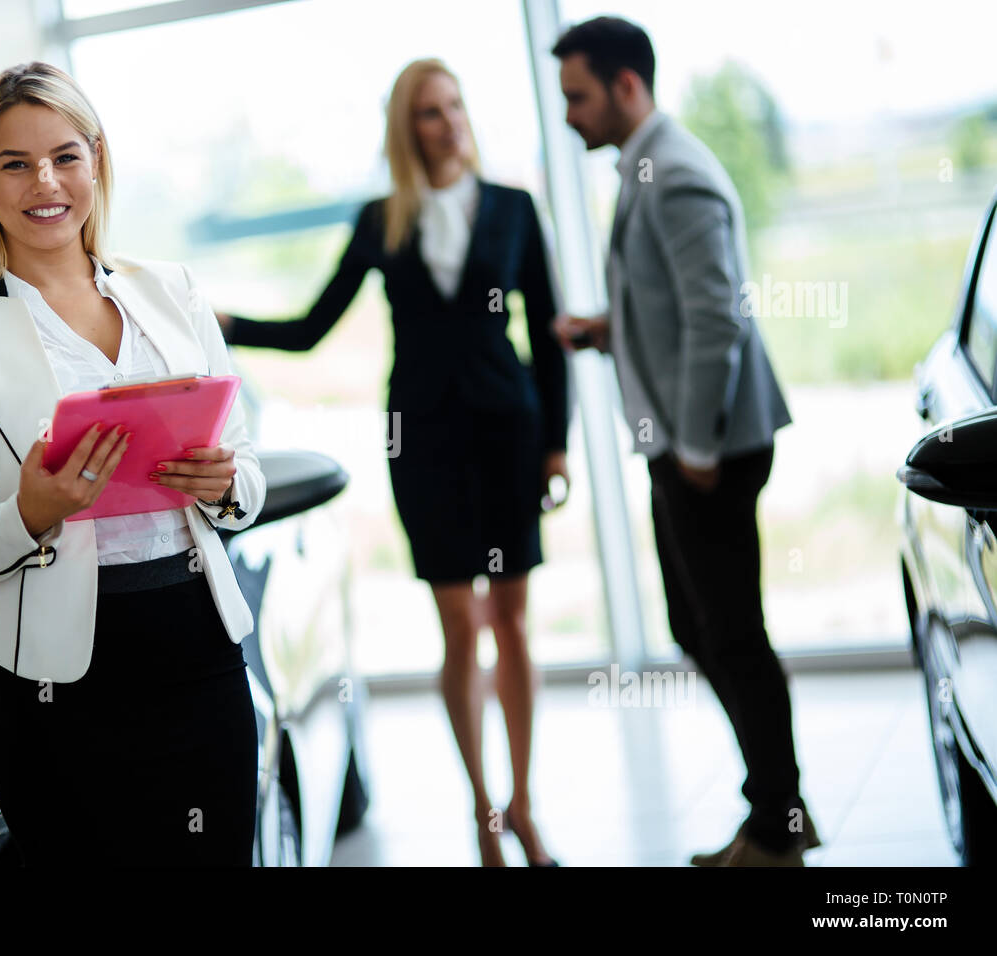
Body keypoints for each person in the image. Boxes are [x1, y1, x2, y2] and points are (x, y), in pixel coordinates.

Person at [0, 62, 265, 866]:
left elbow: (249, 469)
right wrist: (31, 510)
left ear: (96, 158)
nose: (46, 183)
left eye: (65, 155)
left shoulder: (172, 291)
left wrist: (228, 483)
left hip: (201, 655)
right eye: (15, 164)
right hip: (59, 693)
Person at [216, 59, 571, 866]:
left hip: (508, 431)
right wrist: (226, 322)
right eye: (428, 112)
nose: (446, 123)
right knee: (460, 623)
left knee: (512, 620)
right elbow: (311, 328)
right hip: (423, 440)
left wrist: (557, 445)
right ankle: (483, 811)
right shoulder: (382, 219)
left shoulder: (513, 208)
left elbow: (547, 333)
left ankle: (524, 804)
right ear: (405, 127)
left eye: (453, 106)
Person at [550, 17, 818, 865]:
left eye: (577, 97)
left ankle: (776, 824)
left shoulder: (675, 174)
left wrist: (696, 445)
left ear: (627, 86)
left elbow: (716, 318)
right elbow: (676, 303)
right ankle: (779, 808)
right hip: (689, 444)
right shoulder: (648, 164)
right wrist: (610, 327)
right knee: (701, 628)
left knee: (731, 634)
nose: (568, 116)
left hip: (712, 449)